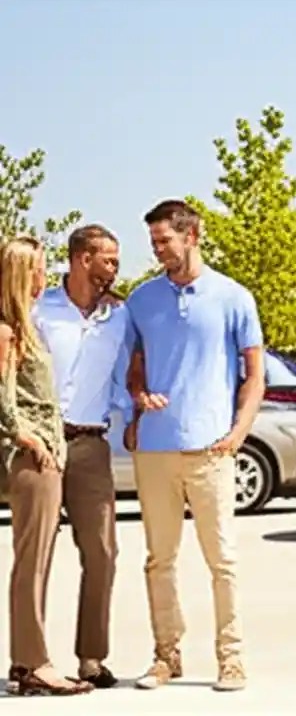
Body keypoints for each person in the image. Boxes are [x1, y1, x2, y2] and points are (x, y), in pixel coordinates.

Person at [124, 199, 265, 692]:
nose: (159, 250)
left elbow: (255, 375)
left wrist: (238, 432)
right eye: (154, 243)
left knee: (221, 560)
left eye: (165, 240)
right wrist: (140, 395)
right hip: (155, 450)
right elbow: (134, 365)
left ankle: (232, 659)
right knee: (158, 560)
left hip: (212, 451)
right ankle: (166, 657)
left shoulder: (233, 297)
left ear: (193, 234)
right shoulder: (141, 301)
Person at [31, 224, 132, 689]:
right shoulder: (40, 310)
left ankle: (92, 658)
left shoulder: (120, 317)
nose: (114, 268)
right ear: (81, 259)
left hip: (91, 444)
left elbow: (125, 376)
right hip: (43, 442)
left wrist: (131, 415)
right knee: (37, 555)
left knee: (103, 552)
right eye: (107, 259)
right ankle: (32, 659)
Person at [1, 236, 93, 697]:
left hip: (47, 455)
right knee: (31, 564)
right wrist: (26, 436)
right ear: (21, 274)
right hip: (32, 461)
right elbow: (2, 397)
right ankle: (35, 663)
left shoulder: (26, 326)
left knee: (36, 563)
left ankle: (26, 660)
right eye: (38, 269)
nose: (44, 277)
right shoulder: (6, 330)